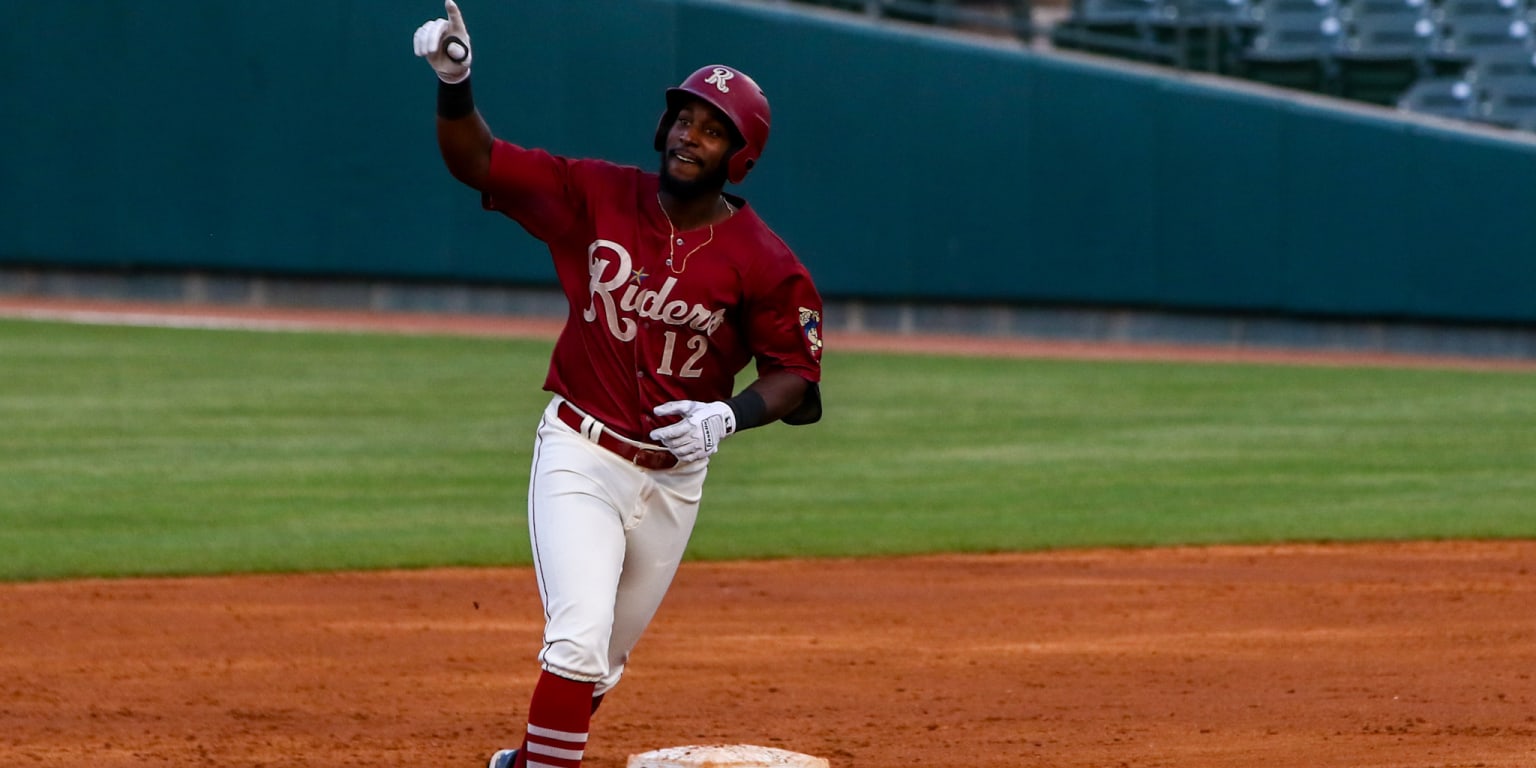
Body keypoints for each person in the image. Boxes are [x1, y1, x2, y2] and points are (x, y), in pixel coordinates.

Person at [412, 3, 825, 767]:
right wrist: (455, 81)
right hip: (583, 451)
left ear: (741, 156)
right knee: (575, 643)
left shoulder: (767, 262)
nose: (688, 136)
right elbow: (480, 161)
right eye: (684, 119)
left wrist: (726, 417)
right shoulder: (595, 194)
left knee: (600, 664)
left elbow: (796, 373)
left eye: (712, 129)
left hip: (674, 481)